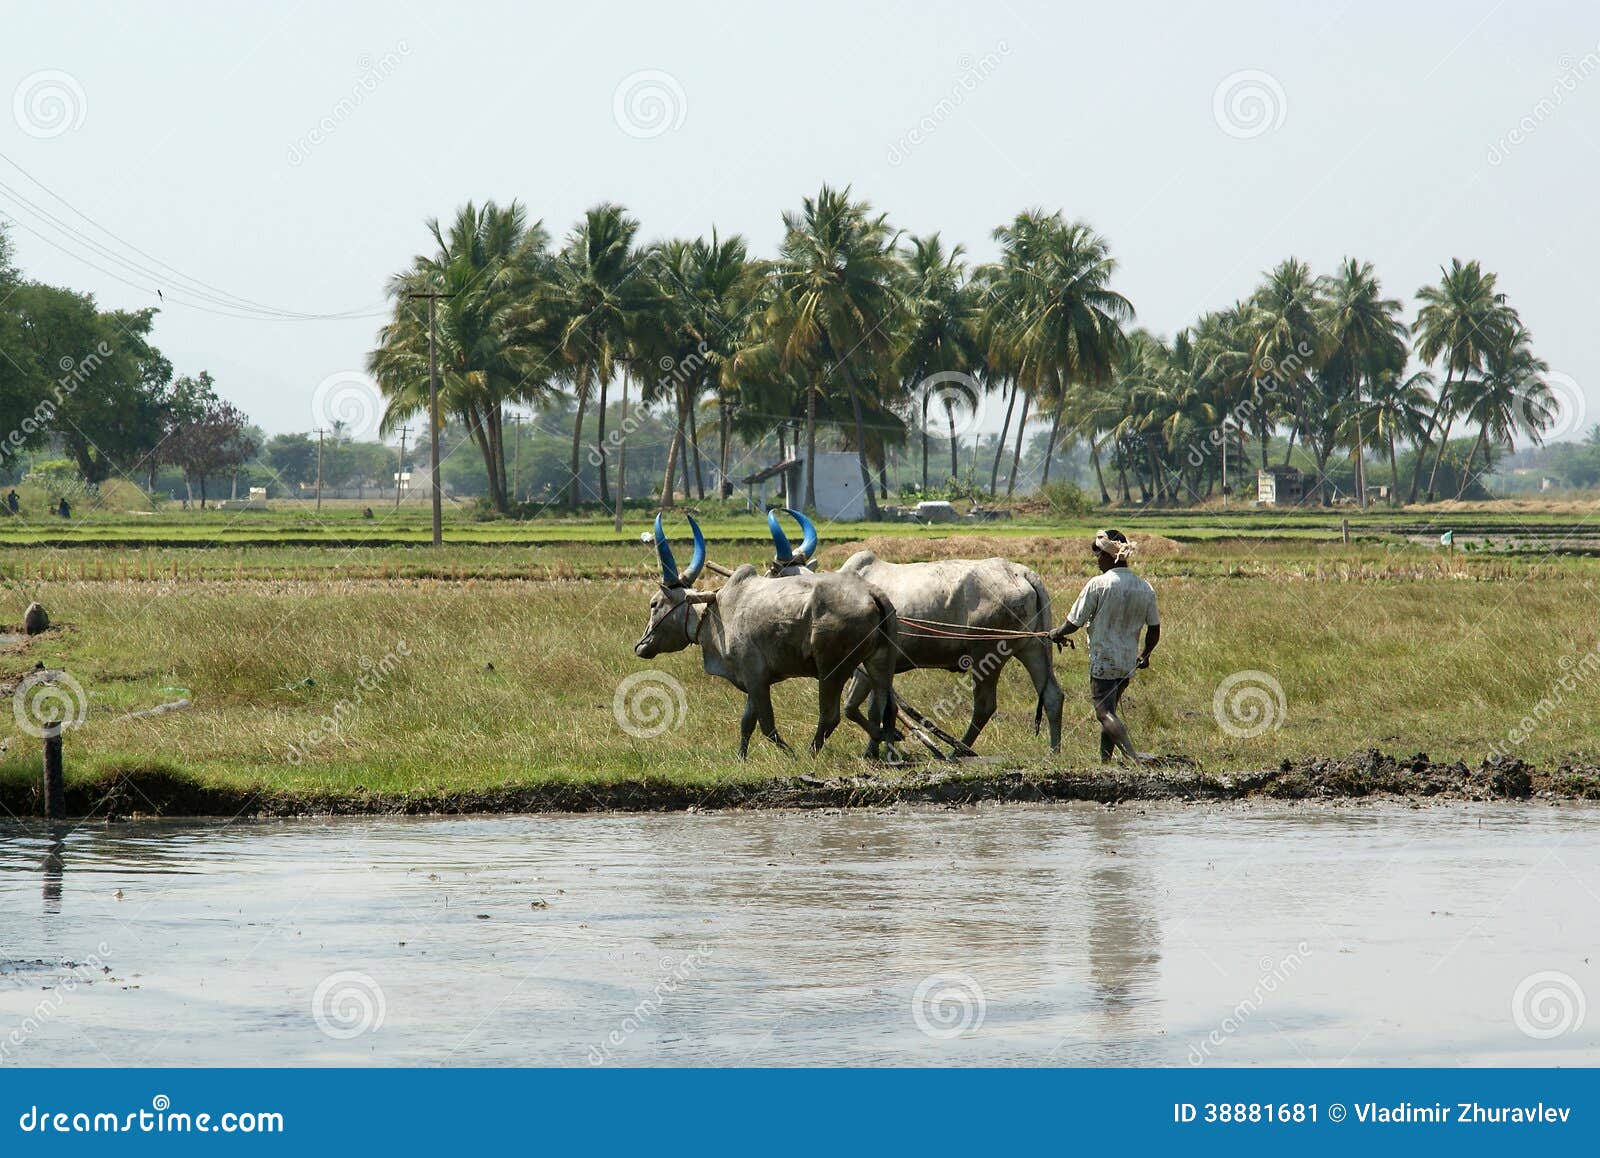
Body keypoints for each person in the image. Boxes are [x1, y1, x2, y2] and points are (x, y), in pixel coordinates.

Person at [1049, 529, 1161, 762]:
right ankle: (1105, 763)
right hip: (1127, 661)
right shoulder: (1144, 587)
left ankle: (1133, 758)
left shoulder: (1099, 584)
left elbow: (1074, 622)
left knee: (1104, 713)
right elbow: (1154, 628)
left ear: (1110, 555)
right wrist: (1146, 654)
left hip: (1104, 660)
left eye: (1099, 555)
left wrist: (1055, 633)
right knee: (1111, 712)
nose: (1097, 560)